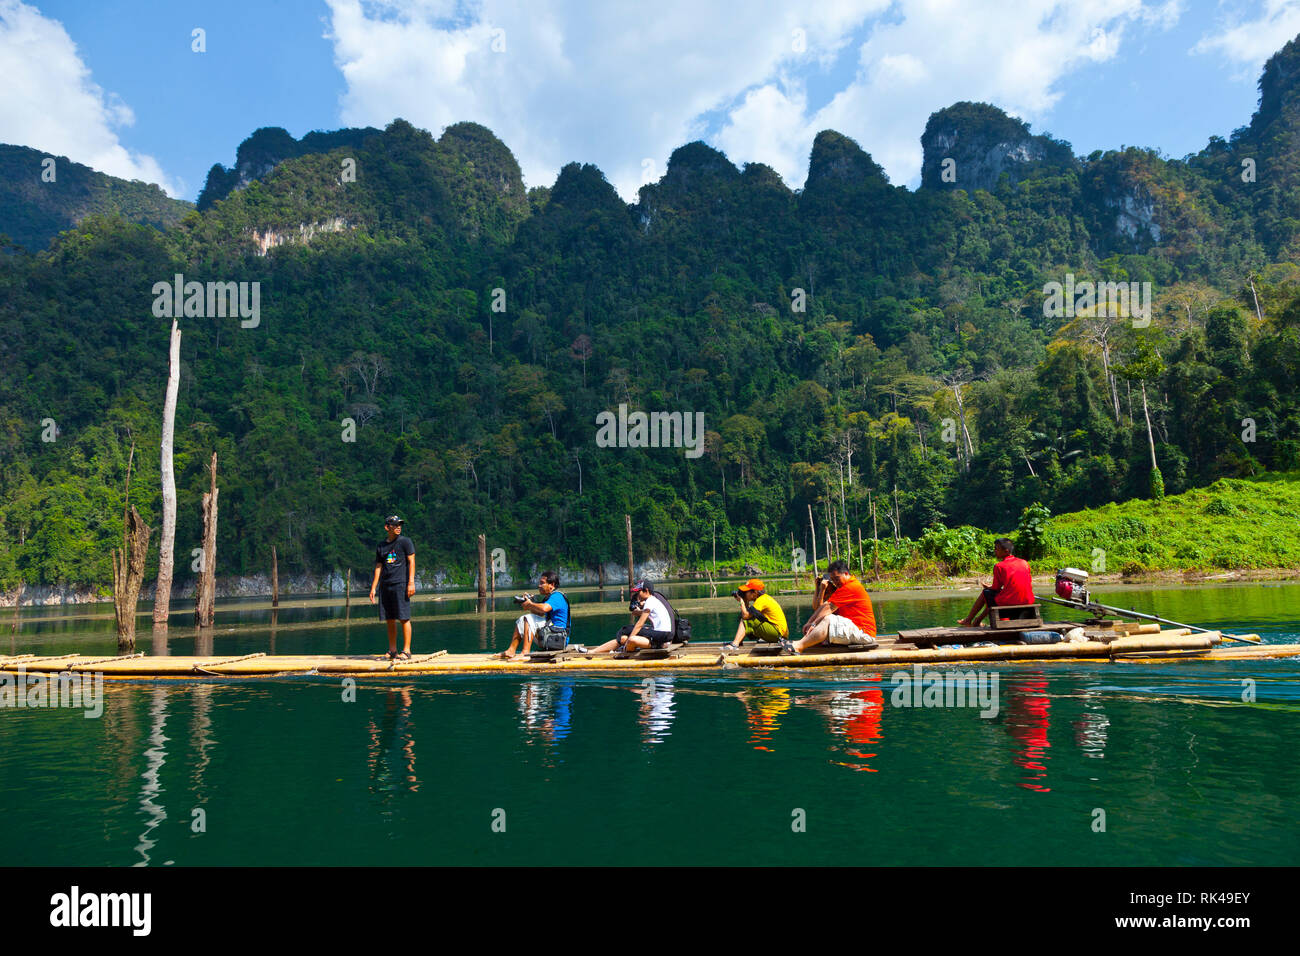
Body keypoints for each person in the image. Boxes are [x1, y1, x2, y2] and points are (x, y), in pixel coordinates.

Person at [782, 559, 876, 654]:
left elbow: (829, 608)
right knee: (822, 618)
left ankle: (799, 646)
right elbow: (822, 607)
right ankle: (800, 643)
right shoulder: (844, 587)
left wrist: (813, 623)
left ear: (846, 574)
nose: (835, 582)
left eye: (837, 578)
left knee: (828, 619)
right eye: (833, 580)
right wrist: (810, 622)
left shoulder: (851, 586)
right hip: (855, 630)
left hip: (864, 633)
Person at [957, 538, 1035, 627]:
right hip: (1028, 601)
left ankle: (969, 620)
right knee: (991, 596)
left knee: (986, 593)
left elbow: (996, 588)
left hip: (1010, 603)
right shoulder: (1024, 562)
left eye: (997, 549)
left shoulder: (999, 566)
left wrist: (988, 587)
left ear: (1006, 551)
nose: (995, 551)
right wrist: (992, 588)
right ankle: (976, 620)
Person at [369, 515, 415, 660]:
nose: (398, 527)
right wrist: (373, 587)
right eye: (395, 525)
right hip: (385, 586)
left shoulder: (405, 542)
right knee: (389, 619)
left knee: (404, 618)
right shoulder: (381, 546)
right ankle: (392, 650)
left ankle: (406, 651)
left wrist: (411, 582)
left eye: (400, 525)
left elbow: (411, 561)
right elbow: (378, 566)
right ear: (387, 527)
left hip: (401, 584)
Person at [498, 570, 570, 660]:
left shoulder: (557, 596)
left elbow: (544, 608)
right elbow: (540, 613)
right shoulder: (549, 597)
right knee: (522, 619)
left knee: (528, 618)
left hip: (559, 639)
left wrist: (530, 604)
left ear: (552, 585)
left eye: (542, 583)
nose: (539, 586)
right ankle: (511, 651)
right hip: (553, 636)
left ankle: (525, 652)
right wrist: (529, 603)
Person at [589, 580, 675, 654]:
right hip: (662, 635)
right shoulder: (654, 601)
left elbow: (640, 624)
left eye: (639, 592)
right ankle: (593, 652)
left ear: (646, 591)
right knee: (624, 638)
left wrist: (628, 641)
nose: (638, 595)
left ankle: (624, 651)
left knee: (627, 631)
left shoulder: (650, 601)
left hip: (662, 636)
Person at [723, 578, 788, 651]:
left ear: (755, 592)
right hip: (779, 634)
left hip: (778, 635)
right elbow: (748, 613)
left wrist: (741, 601)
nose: (744, 594)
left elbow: (746, 616)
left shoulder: (762, 600)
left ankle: (735, 644)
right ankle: (738, 641)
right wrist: (745, 602)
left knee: (747, 620)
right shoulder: (762, 599)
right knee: (747, 618)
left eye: (746, 592)